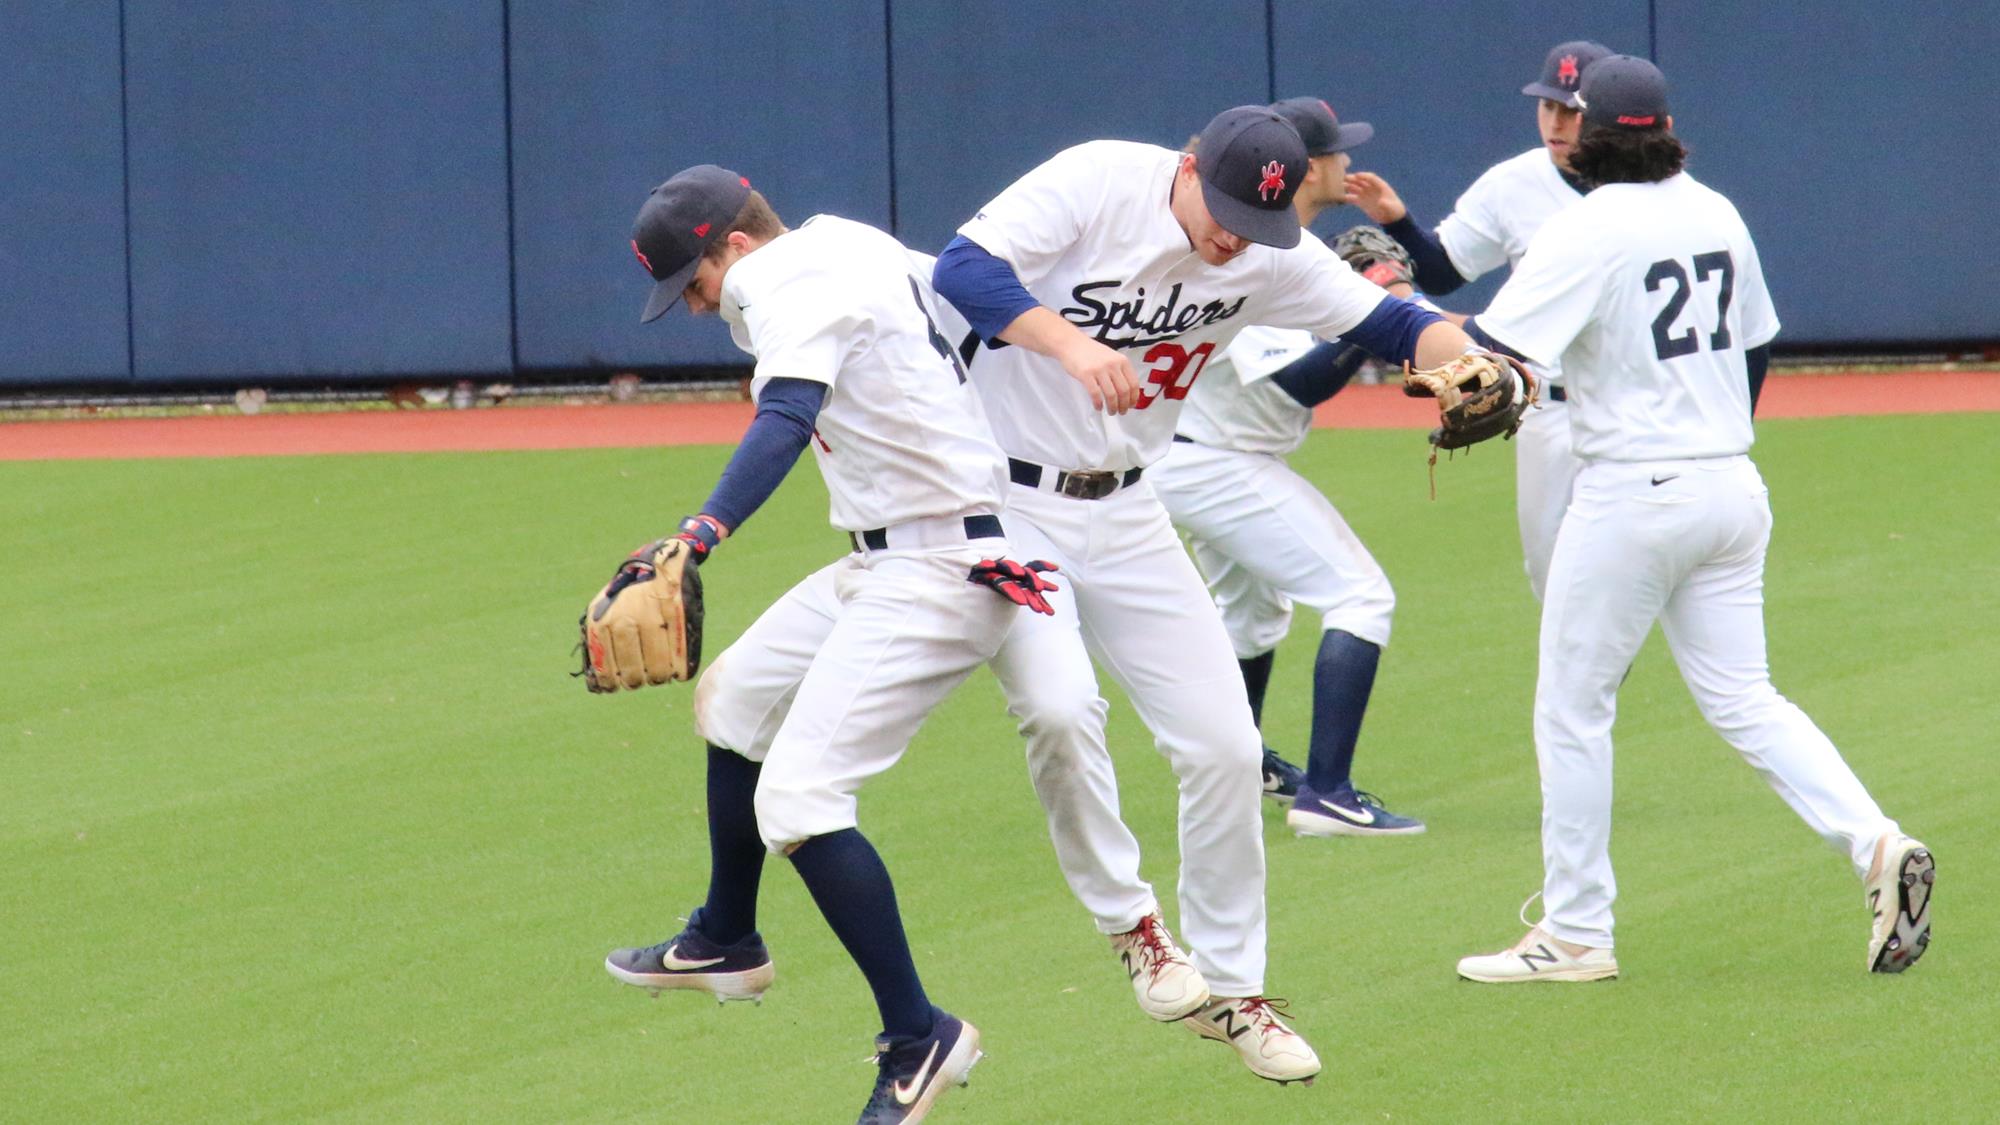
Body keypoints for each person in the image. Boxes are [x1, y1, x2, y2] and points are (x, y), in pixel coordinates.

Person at [932, 105, 1497, 1083]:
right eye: (1224, 207)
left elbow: (1400, 323)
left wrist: (1487, 366)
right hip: (1004, 505)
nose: (1234, 235)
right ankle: (1136, 929)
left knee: (1227, 748)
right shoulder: (1100, 178)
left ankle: (1235, 993)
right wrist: (1072, 347)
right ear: (1186, 166)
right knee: (1063, 711)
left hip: (1130, 509)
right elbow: (963, 271)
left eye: (1258, 222)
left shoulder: (1265, 253)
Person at [1449, 58, 1933, 983]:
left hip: (1634, 491)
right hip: (1731, 486)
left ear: (1589, 138)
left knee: (1572, 707)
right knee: (1747, 698)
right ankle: (1877, 842)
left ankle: (1578, 932)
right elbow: (1756, 345)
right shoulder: (1716, 208)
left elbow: (1491, 358)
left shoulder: (1585, 225)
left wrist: (1400, 316)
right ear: (1667, 130)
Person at [599, 164, 1060, 1123]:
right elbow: (973, 310)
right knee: (733, 701)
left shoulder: (785, 276)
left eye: (692, 282)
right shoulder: (850, 238)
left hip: (939, 569)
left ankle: (916, 1035)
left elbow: (787, 415)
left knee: (801, 798)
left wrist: (699, 533)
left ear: (732, 244)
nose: (693, 307)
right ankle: (727, 935)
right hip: (892, 553)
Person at [1150, 96, 1424, 837]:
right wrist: (1370, 324)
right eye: (1336, 152)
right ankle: (1327, 792)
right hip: (1213, 461)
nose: (1347, 162)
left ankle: (1246, 764)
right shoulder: (1254, 251)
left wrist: (1382, 315)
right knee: (1362, 594)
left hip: (1200, 451)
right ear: (1306, 169)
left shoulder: (1267, 243)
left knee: (1255, 614)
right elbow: (1297, 382)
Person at [1345, 39, 1613, 602]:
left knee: (1627, 579)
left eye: (1573, 110)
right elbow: (1444, 270)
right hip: (1548, 410)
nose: (1557, 122)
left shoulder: (1639, 188)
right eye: (1549, 106)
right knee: (1554, 585)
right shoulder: (1513, 183)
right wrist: (1399, 222)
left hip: (1629, 405)